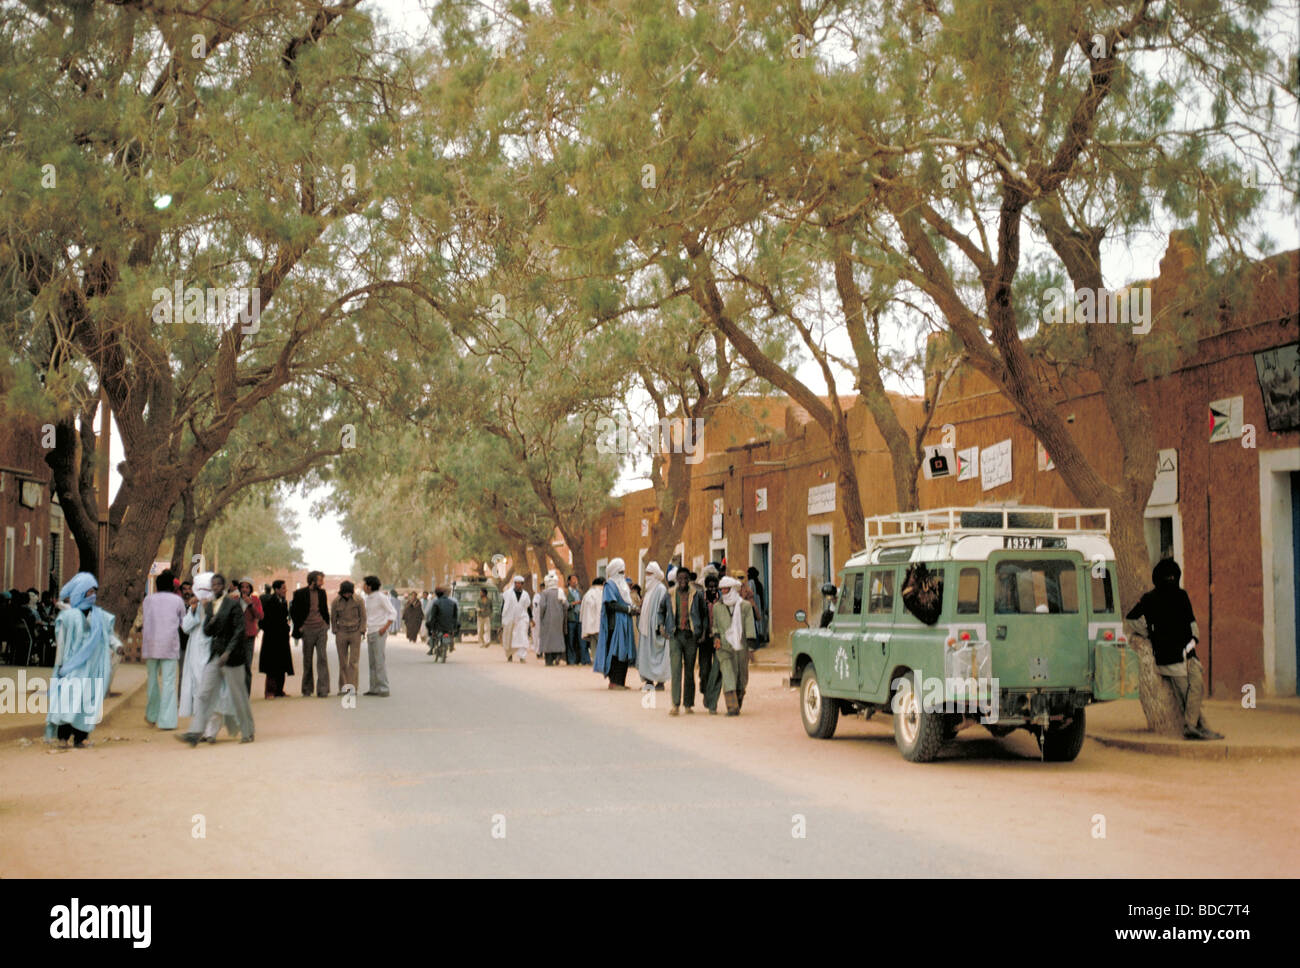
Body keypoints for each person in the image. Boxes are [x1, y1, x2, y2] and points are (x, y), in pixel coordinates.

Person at [1125, 558, 1224, 741]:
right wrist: (1149, 633)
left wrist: (1193, 641)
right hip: (1169, 657)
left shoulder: (1181, 596)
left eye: (1172, 576)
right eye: (1167, 576)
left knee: (1196, 687)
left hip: (1189, 654)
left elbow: (1191, 621)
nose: (1170, 579)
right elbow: (1131, 617)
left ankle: (1195, 727)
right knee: (1185, 695)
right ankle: (1192, 728)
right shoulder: (1150, 599)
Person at [44, 573, 123, 747]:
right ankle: (63, 738)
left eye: (94, 592)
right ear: (80, 593)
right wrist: (60, 666)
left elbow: (108, 636)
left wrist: (117, 646)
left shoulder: (100, 616)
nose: (92, 596)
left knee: (88, 701)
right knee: (68, 699)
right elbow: (62, 643)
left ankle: (82, 737)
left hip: (94, 668)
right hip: (73, 666)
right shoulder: (69, 616)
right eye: (88, 592)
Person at [179, 573, 254, 745]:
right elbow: (186, 627)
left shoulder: (226, 606)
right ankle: (201, 732)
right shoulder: (197, 606)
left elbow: (235, 630)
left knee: (225, 694)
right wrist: (193, 610)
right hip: (198, 655)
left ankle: (239, 730)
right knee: (202, 693)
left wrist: (228, 652)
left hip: (220, 655)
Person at [141, 569, 184, 730]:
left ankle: (152, 715)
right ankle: (167, 721)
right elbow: (183, 622)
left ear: (157, 585)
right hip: (170, 646)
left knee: (152, 681)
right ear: (172, 586)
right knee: (168, 683)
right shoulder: (177, 601)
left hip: (151, 645)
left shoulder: (148, 600)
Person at [709, 575, 757, 716]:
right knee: (728, 675)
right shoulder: (717, 607)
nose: (723, 592)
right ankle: (731, 707)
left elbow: (749, 626)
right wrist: (716, 636)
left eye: (726, 590)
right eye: (721, 590)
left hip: (741, 647)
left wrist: (751, 645)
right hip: (723, 647)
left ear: (732, 590)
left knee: (741, 678)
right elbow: (716, 626)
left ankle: (738, 700)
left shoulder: (745, 606)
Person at [594, 557, 637, 689]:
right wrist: (628, 609)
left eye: (623, 571)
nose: (622, 574)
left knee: (624, 653)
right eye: (620, 571)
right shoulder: (610, 585)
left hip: (625, 624)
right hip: (614, 626)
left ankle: (620, 682)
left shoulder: (623, 585)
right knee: (615, 653)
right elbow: (611, 604)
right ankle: (614, 682)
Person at [666, 565, 703, 715]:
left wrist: (701, 632)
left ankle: (688, 704)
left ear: (689, 580)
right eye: (680, 578)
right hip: (675, 635)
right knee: (676, 670)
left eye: (685, 578)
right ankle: (675, 704)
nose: (682, 581)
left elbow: (703, 613)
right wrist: (662, 627)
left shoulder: (696, 594)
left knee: (689, 671)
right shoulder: (669, 594)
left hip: (690, 636)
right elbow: (661, 611)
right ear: (676, 579)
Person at [291, 571, 331, 697]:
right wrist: (300, 627)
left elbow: (324, 609)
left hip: (321, 630)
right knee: (307, 660)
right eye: (320, 580)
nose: (322, 583)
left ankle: (323, 689)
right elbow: (293, 611)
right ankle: (307, 689)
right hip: (307, 630)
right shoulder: (299, 593)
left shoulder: (322, 593)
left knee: (322, 658)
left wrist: (326, 624)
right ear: (313, 581)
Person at [636, 562, 670, 690]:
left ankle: (660, 682)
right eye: (646, 573)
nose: (647, 576)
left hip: (655, 630)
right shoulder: (649, 590)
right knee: (647, 655)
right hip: (646, 630)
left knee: (658, 655)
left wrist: (658, 626)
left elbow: (662, 610)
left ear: (655, 575)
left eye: (650, 574)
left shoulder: (660, 589)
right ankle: (649, 682)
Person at [692, 567, 721, 713]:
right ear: (706, 586)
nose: (713, 589)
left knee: (717, 671)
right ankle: (705, 690)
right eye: (710, 587)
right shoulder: (699, 598)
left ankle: (712, 703)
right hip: (704, 640)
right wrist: (699, 634)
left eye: (715, 586)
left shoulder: (721, 599)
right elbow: (696, 616)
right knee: (704, 670)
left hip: (718, 639)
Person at [258, 580, 293, 698]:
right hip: (271, 637)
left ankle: (279, 690)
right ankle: (269, 691)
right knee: (271, 665)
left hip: (282, 637)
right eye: (283, 588)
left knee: (282, 664)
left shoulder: (284, 602)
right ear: (277, 589)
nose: (285, 590)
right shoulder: (269, 602)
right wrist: (270, 630)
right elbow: (263, 620)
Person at [330, 580, 366, 695]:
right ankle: (343, 688)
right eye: (344, 593)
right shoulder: (336, 602)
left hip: (355, 632)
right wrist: (335, 630)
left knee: (353, 662)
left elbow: (363, 616)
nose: (347, 595)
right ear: (341, 592)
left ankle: (352, 688)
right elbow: (333, 617)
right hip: (341, 633)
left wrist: (362, 630)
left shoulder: (359, 600)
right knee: (343, 662)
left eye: (349, 593)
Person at [362, 575, 396, 695]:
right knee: (372, 662)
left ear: (369, 586)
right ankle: (374, 688)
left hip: (379, 631)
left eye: (364, 584)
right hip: (370, 631)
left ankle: (384, 688)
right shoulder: (367, 598)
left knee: (379, 661)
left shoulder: (381, 597)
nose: (363, 586)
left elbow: (392, 612)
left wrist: (385, 627)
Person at [235, 578, 263, 695]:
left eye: (247, 587)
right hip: (236, 637)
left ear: (251, 589)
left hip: (249, 636)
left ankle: (245, 694)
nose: (245, 589)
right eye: (243, 587)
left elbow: (260, 615)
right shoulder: (235, 600)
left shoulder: (255, 600)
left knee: (247, 665)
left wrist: (250, 605)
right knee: (236, 666)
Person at [536, 573, 568, 666]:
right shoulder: (560, 592)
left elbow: (542, 606)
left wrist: (541, 617)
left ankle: (549, 660)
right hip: (559, 620)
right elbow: (566, 605)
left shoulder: (545, 593)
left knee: (547, 639)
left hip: (547, 619)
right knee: (558, 638)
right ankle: (557, 656)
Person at [500, 575, 531, 663]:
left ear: (522, 584)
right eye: (516, 583)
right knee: (509, 637)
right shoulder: (507, 593)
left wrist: (531, 618)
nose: (518, 585)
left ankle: (522, 656)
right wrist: (501, 620)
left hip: (522, 618)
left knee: (522, 636)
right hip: (509, 619)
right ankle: (509, 655)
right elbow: (503, 607)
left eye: (519, 583)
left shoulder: (525, 595)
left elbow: (528, 607)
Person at [426, 586, 459, 658]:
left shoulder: (435, 601)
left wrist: (430, 623)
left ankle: (431, 647)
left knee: (430, 627)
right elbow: (456, 615)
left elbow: (430, 614)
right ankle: (452, 642)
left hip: (439, 625)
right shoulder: (454, 601)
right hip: (450, 625)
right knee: (456, 627)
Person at [579, 577, 603, 666]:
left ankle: (596, 662)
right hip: (598, 624)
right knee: (601, 644)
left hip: (589, 624)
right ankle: (600, 663)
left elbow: (582, 611)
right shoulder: (600, 593)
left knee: (594, 644)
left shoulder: (588, 594)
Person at [564, 575, 583, 665]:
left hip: (579, 617)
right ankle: (571, 660)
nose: (575, 581)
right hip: (571, 617)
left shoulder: (579, 592)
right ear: (569, 582)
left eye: (576, 579)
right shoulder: (566, 592)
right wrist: (575, 603)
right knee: (570, 640)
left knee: (579, 639)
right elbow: (565, 605)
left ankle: (578, 659)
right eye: (573, 580)